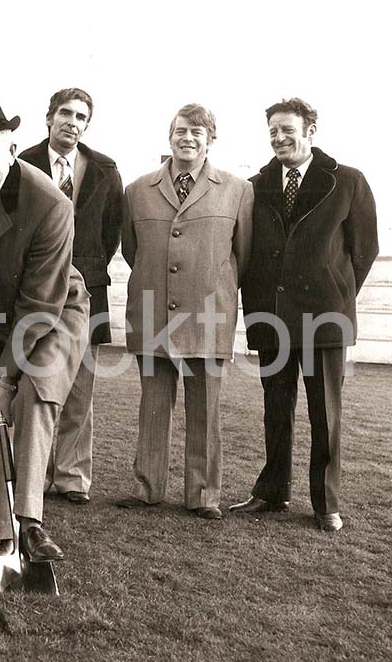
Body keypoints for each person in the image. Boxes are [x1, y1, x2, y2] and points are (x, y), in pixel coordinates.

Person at [0, 93, 90, 562]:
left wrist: (9, 377)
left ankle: (30, 526)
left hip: (54, 307)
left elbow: (39, 304)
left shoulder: (50, 204)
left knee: (35, 391)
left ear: (11, 148)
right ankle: (4, 534)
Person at [229, 98, 378, 532]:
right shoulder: (256, 185)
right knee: (275, 408)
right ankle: (272, 491)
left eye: (287, 129)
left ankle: (325, 502)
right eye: (273, 130)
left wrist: (338, 292)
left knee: (324, 413)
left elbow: (364, 250)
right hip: (272, 317)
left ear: (310, 131)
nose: (279, 137)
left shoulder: (346, 180)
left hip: (324, 317)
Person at [116, 104, 252, 520]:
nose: (187, 138)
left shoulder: (237, 189)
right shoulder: (137, 190)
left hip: (208, 317)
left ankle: (203, 495)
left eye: (196, 131)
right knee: (153, 406)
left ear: (211, 139)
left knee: (205, 410)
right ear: (169, 136)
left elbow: (241, 257)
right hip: (153, 313)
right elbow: (130, 248)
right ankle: (147, 488)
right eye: (180, 130)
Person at [19, 87, 123, 505]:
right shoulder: (22, 162)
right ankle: (36, 475)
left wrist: (85, 268)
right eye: (65, 113)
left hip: (88, 289)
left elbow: (111, 232)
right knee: (37, 383)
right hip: (36, 285)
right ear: (49, 118)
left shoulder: (104, 169)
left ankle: (73, 477)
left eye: (81, 117)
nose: (72, 123)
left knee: (81, 388)